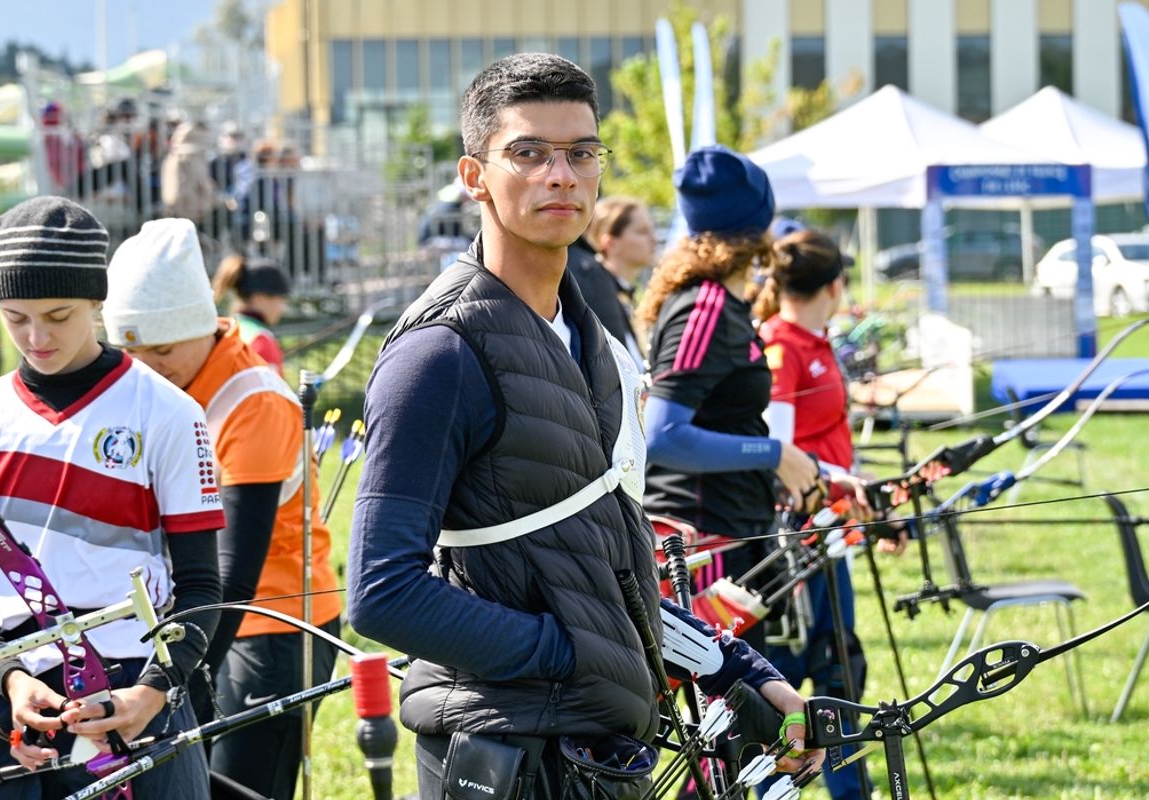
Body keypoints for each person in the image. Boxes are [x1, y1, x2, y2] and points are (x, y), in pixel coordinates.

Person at [346, 53, 823, 800]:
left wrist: (740, 673)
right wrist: (567, 650)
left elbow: (607, 570)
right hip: (501, 751)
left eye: (581, 153)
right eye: (528, 153)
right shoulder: (438, 354)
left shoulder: (587, 337)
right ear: (475, 177)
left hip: (595, 751)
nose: (559, 175)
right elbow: (382, 592)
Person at [0, 197, 222, 799]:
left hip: (137, 696)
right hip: (14, 705)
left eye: (59, 313)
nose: (36, 336)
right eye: (15, 317)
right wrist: (10, 676)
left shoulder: (169, 413)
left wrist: (152, 690)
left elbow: (201, 584)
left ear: (98, 303)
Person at [102, 218, 341, 800]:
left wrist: (182, 676)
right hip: (186, 627)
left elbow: (234, 565)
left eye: (162, 350)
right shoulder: (149, 386)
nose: (147, 367)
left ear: (204, 327)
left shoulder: (251, 398)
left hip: (269, 623)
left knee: (240, 786)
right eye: (130, 351)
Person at [637, 146, 825, 653]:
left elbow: (725, 418)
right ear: (757, 221)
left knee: (751, 719)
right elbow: (663, 435)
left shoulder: (724, 302)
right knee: (730, 723)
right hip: (703, 545)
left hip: (736, 532)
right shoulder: (706, 306)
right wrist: (776, 455)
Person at [756, 226, 883, 800]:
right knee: (779, 680)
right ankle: (770, 790)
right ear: (834, 286)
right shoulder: (781, 346)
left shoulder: (816, 340)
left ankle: (851, 792)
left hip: (830, 535)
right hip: (793, 549)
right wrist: (835, 482)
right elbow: (779, 450)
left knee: (841, 671)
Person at [567, 195, 655, 364]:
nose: (654, 239)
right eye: (642, 231)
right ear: (610, 243)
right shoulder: (593, 285)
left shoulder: (622, 293)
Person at [211, 253, 290, 374]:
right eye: (281, 300)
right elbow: (268, 393)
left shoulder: (224, 330)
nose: (283, 308)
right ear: (261, 297)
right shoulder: (261, 340)